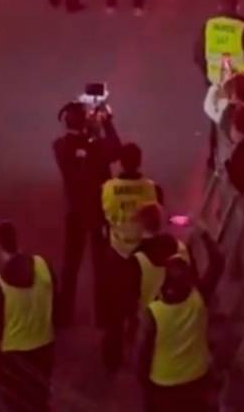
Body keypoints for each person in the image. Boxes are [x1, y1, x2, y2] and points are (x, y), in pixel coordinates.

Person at [51, 100, 118, 328]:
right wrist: (106, 124)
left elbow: (81, 147)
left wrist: (89, 129)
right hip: (98, 213)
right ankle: (103, 316)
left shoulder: (59, 146)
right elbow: (115, 150)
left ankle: (64, 315)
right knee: (101, 266)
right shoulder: (96, 147)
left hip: (74, 212)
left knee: (70, 265)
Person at [99, 142, 161, 372]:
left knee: (114, 311)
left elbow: (106, 216)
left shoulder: (109, 188)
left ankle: (112, 360)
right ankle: (141, 352)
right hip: (143, 254)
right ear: (140, 161)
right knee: (143, 305)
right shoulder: (150, 188)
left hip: (117, 252)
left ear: (120, 162)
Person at [136, 248, 222, 410]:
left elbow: (143, 353)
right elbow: (218, 263)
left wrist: (144, 383)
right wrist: (203, 235)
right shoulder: (199, 299)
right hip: (197, 378)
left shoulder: (154, 313)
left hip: (163, 382)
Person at [0, 221, 54, 412]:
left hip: (14, 352)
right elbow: (56, 299)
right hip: (44, 344)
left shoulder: (1, 283)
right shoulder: (43, 265)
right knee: (40, 399)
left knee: (16, 403)